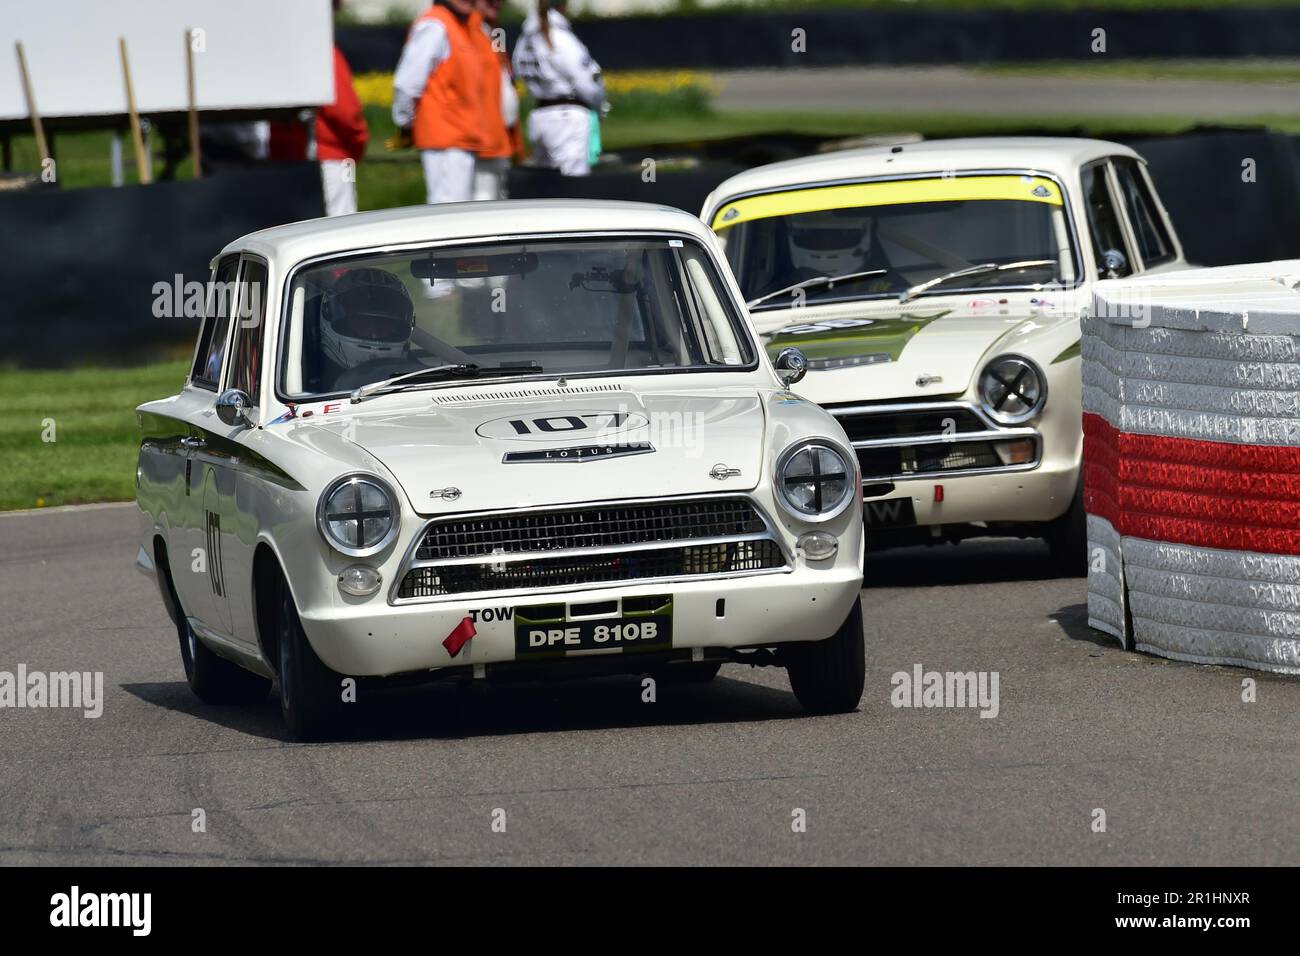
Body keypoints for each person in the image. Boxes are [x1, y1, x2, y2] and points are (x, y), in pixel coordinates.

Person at [269, 1, 369, 216]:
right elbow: (346, 112)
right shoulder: (322, 49)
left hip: (288, 159)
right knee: (339, 232)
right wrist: (359, 141)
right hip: (329, 159)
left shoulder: (281, 48)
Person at [393, 0, 485, 206]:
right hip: (444, 141)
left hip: (459, 139)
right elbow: (407, 84)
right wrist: (405, 124)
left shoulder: (460, 25)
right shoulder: (435, 25)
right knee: (449, 215)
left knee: (460, 215)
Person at [513, 0, 606, 177]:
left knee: (545, 188)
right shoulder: (561, 37)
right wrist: (601, 107)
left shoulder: (525, 38)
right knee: (573, 189)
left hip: (539, 115)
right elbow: (589, 82)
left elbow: (518, 70)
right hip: (567, 119)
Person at [470, 0, 523, 200]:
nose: (496, 3)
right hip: (482, 140)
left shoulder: (495, 32)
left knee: (500, 199)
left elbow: (502, 70)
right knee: (482, 199)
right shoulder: (468, 29)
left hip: (502, 137)